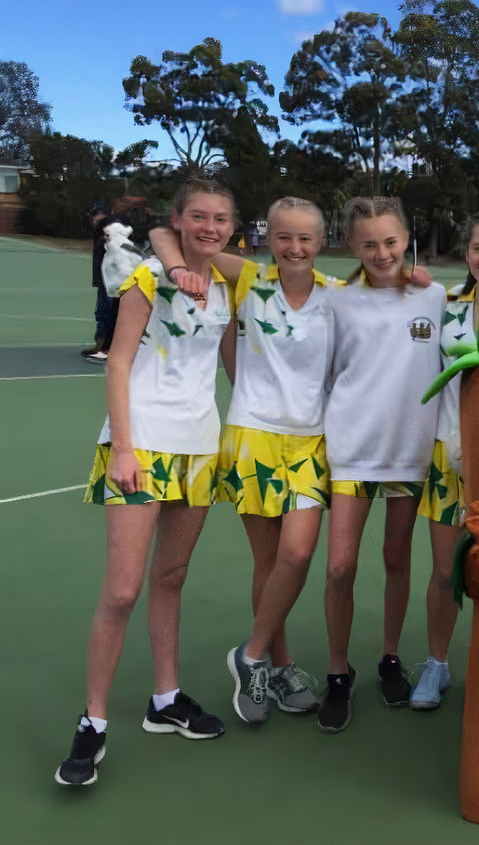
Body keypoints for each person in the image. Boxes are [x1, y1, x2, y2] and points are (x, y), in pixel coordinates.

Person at [54, 178, 235, 787]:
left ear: (232, 227)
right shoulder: (147, 279)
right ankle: (94, 720)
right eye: (198, 217)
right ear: (179, 220)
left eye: (221, 219)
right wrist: (123, 447)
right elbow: (121, 362)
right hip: (142, 445)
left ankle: (166, 699)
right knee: (124, 589)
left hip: (199, 446)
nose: (210, 227)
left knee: (172, 576)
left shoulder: (229, 288)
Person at [151, 197, 339, 724]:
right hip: (253, 436)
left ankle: (249, 654)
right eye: (283, 236)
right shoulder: (249, 278)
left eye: (305, 238)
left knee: (298, 555)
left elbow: (391, 290)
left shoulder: (339, 297)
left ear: (322, 242)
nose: (295, 247)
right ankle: (278, 667)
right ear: (264, 238)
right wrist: (174, 267)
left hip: (310, 444)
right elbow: (164, 236)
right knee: (269, 561)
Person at [317, 196, 445, 733]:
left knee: (397, 559)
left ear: (406, 237)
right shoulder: (338, 301)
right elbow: (326, 375)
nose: (382, 252)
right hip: (352, 450)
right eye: (369, 243)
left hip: (409, 454)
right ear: (352, 246)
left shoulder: (435, 296)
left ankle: (389, 656)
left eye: (391, 241)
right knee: (340, 566)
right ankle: (337, 672)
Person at [410, 208, 479, 711]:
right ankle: (436, 665)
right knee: (443, 572)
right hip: (445, 454)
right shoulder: (442, 304)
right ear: (467, 253)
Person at [81, 204, 124, 364]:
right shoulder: (99, 233)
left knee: (108, 315)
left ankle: (107, 349)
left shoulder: (115, 234)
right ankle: (101, 345)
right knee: (101, 314)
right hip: (103, 281)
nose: (96, 222)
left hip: (113, 282)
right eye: (94, 219)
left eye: (100, 219)